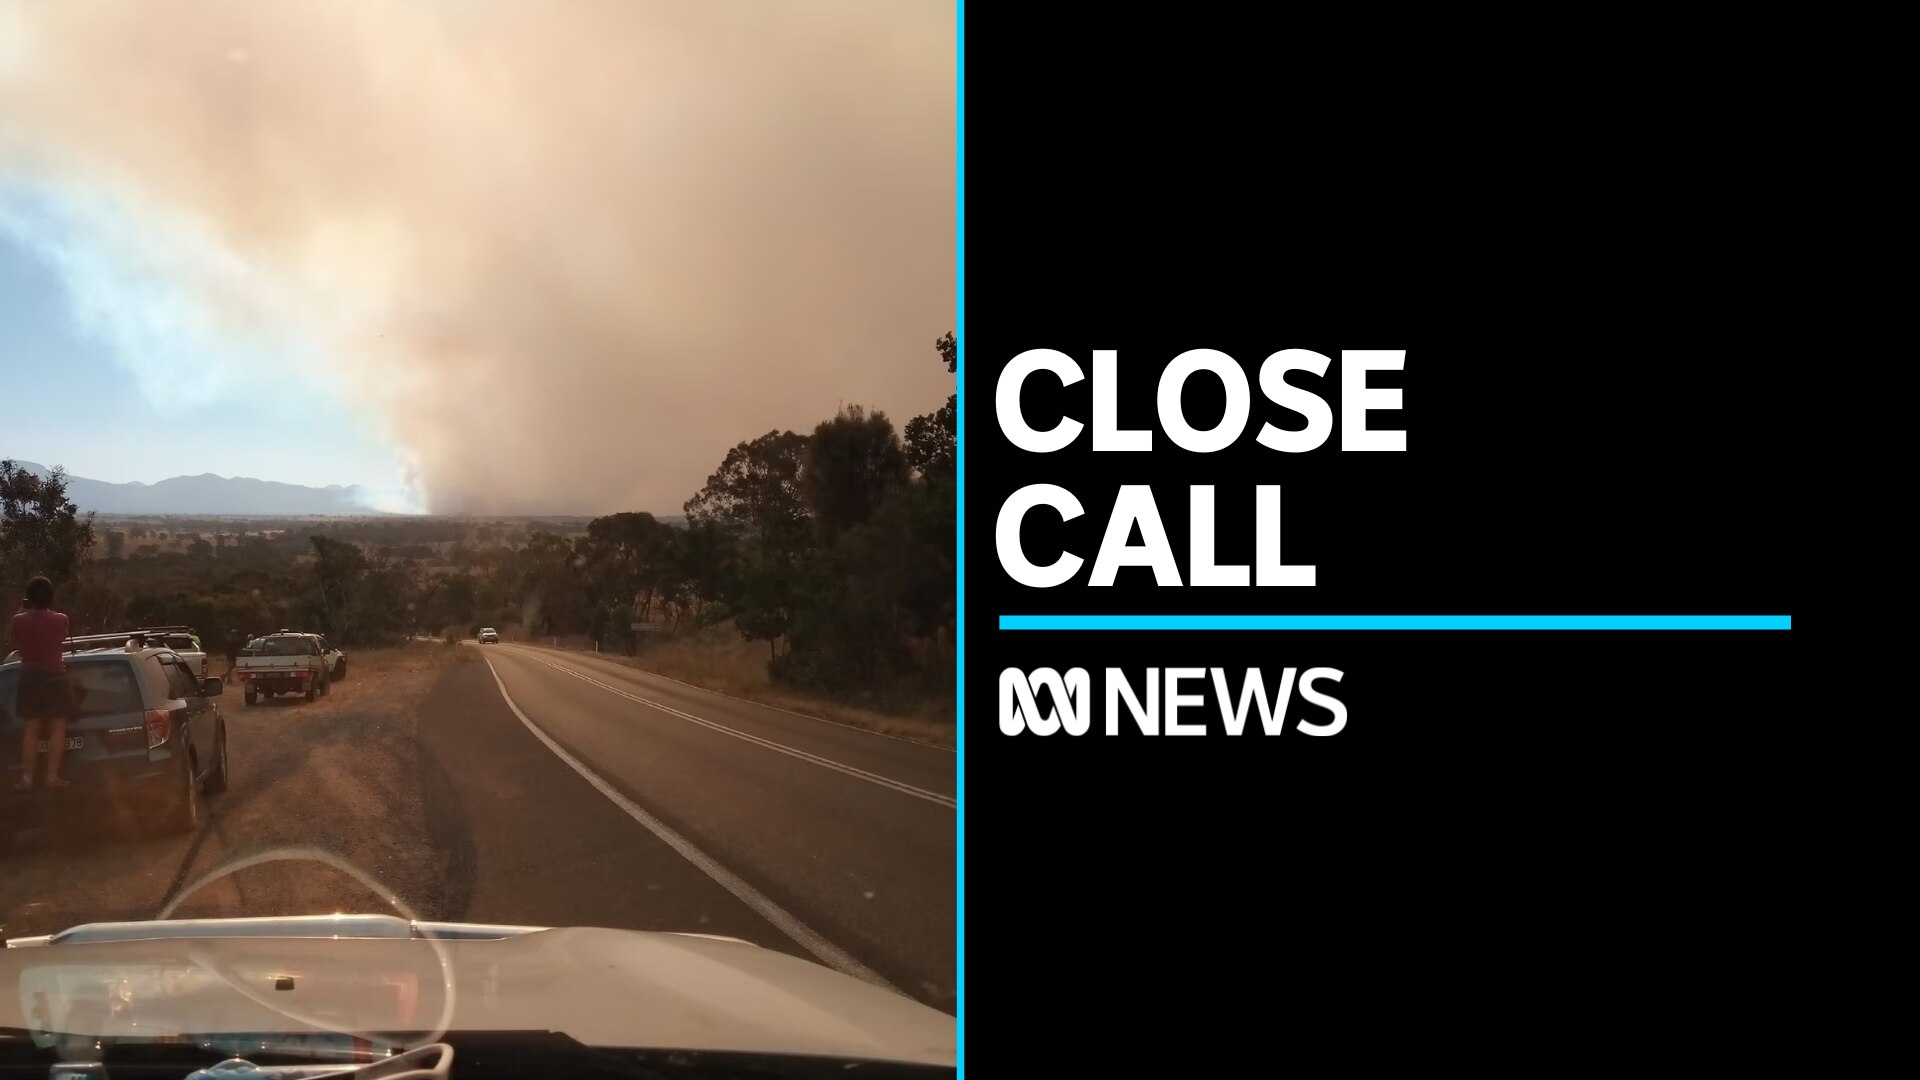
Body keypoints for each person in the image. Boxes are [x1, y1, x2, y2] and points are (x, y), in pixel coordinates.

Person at [10, 576, 75, 789]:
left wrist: (21, 609)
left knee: (31, 728)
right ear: (51, 596)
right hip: (56, 676)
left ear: (29, 597)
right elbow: (61, 638)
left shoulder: (19, 620)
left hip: (30, 676)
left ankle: (27, 778)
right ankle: (52, 776)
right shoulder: (61, 619)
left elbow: (11, 639)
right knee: (58, 726)